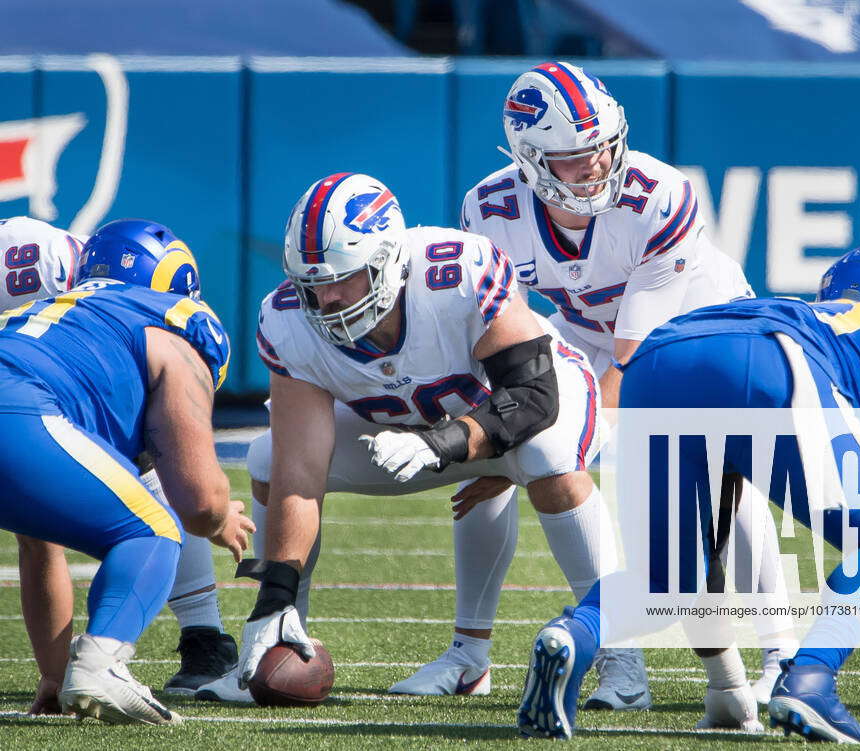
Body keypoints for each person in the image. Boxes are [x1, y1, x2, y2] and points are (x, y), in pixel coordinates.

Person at [196, 172, 622, 709]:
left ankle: (618, 657)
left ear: (390, 262)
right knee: (266, 457)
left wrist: (444, 444)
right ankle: (279, 641)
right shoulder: (287, 321)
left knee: (547, 455)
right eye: (312, 283)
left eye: (343, 279)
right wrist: (273, 593)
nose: (326, 300)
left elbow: (533, 397)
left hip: (535, 403)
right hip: (415, 426)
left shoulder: (457, 272)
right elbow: (300, 469)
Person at [453, 59, 794, 712]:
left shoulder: (659, 196)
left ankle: (781, 652)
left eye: (604, 147)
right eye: (577, 157)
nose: (599, 166)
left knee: (724, 472)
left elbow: (632, 365)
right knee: (510, 453)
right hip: (584, 330)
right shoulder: (488, 210)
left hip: (701, 325)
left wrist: (540, 444)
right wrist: (498, 435)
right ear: (529, 159)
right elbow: (495, 334)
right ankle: (554, 655)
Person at [517, 294, 860, 742]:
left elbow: (710, 551)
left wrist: (725, 686)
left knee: (664, 583)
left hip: (654, 361)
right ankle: (810, 679)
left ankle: (573, 635)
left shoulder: (830, 329)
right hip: (768, 359)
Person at [0, 218, 253, 725]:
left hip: (22, 409)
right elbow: (198, 501)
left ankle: (67, 674)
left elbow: (37, 542)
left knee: (41, 533)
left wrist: (53, 678)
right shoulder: (174, 328)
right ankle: (101, 661)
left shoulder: (51, 317)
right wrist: (220, 516)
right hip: (19, 411)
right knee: (154, 527)